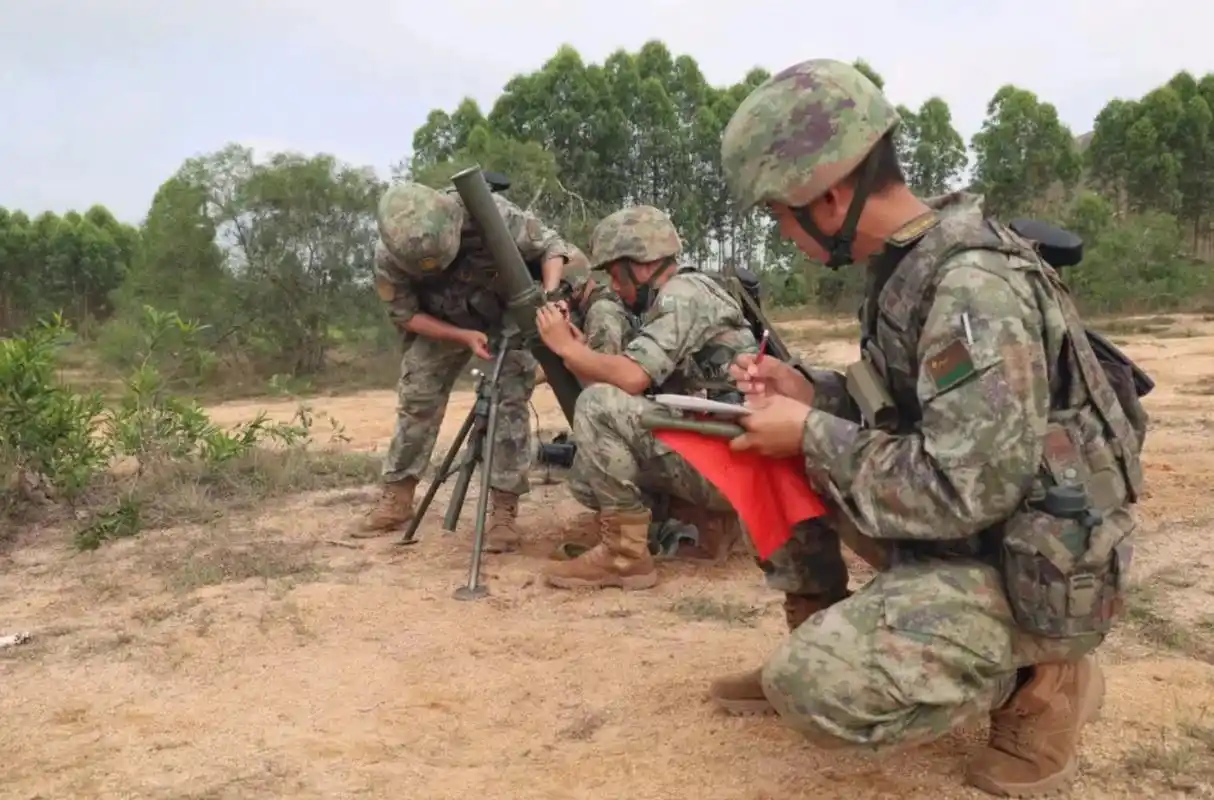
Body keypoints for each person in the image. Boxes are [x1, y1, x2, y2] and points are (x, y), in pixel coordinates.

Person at [710, 58, 1144, 797]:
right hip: (978, 532)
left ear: (830, 195)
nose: (782, 233)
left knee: (814, 686)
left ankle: (1046, 682)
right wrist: (809, 393)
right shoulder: (907, 263)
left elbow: (967, 488)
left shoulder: (972, 287)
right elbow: (908, 410)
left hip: (1033, 565)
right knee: (764, 451)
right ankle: (821, 625)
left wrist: (812, 432)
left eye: (780, 214)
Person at [533, 205, 758, 590]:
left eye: (616, 274)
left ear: (643, 266)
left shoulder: (683, 294)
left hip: (736, 463)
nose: (614, 287)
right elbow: (641, 377)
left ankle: (624, 556)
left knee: (597, 406)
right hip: (731, 453)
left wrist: (566, 349)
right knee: (587, 476)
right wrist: (581, 350)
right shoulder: (677, 297)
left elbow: (632, 378)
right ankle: (707, 521)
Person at [358, 181, 577, 555]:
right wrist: (461, 336)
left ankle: (503, 511)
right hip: (444, 321)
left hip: (506, 311)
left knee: (508, 399)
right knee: (418, 394)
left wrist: (550, 296)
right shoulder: (390, 255)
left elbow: (552, 247)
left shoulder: (488, 213)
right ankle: (397, 497)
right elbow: (405, 314)